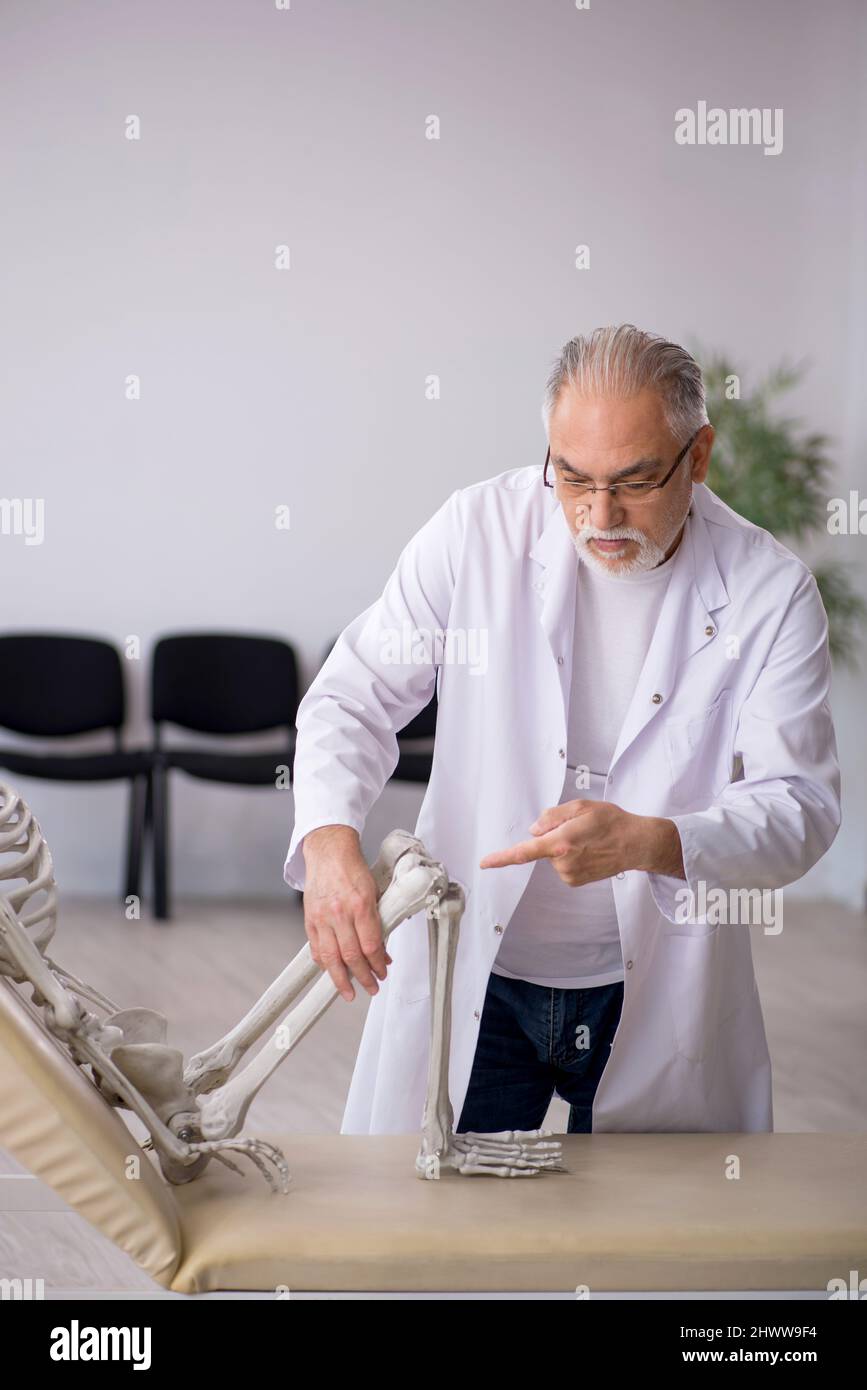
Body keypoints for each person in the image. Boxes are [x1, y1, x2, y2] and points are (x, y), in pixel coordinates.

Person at [284, 324, 841, 1136]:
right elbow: (352, 696)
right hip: (476, 971)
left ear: (698, 455)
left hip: (649, 994)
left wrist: (651, 841)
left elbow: (799, 807)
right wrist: (331, 846)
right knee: (431, 1240)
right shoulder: (477, 531)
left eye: (634, 481)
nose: (598, 513)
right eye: (572, 477)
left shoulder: (768, 591)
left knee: (644, 1249)